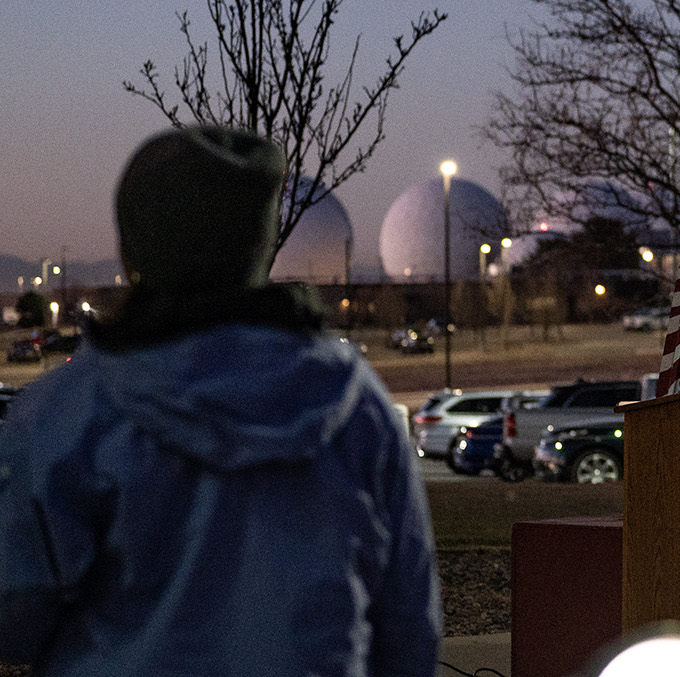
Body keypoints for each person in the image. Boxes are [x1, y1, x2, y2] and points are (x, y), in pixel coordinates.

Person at [0, 125, 442, 676]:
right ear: (260, 244)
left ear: (135, 245)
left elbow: (16, 614)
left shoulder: (64, 415)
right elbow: (409, 627)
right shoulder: (358, 406)